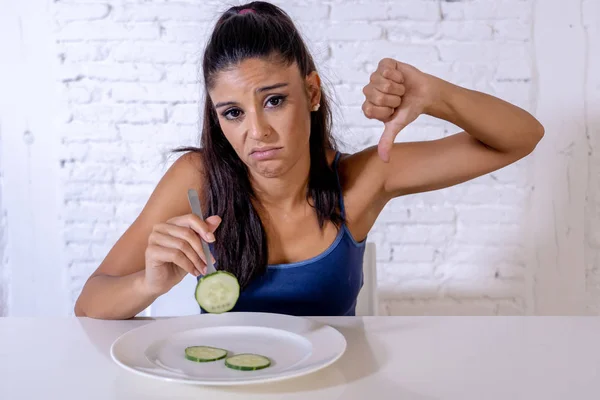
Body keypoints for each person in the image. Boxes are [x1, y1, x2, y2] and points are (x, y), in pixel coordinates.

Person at [74, 1, 544, 319]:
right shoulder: (196, 181)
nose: (257, 131)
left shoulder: (364, 179)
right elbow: (89, 304)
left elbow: (520, 137)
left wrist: (434, 94)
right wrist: (150, 284)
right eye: (233, 113)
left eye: (274, 100)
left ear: (311, 92)